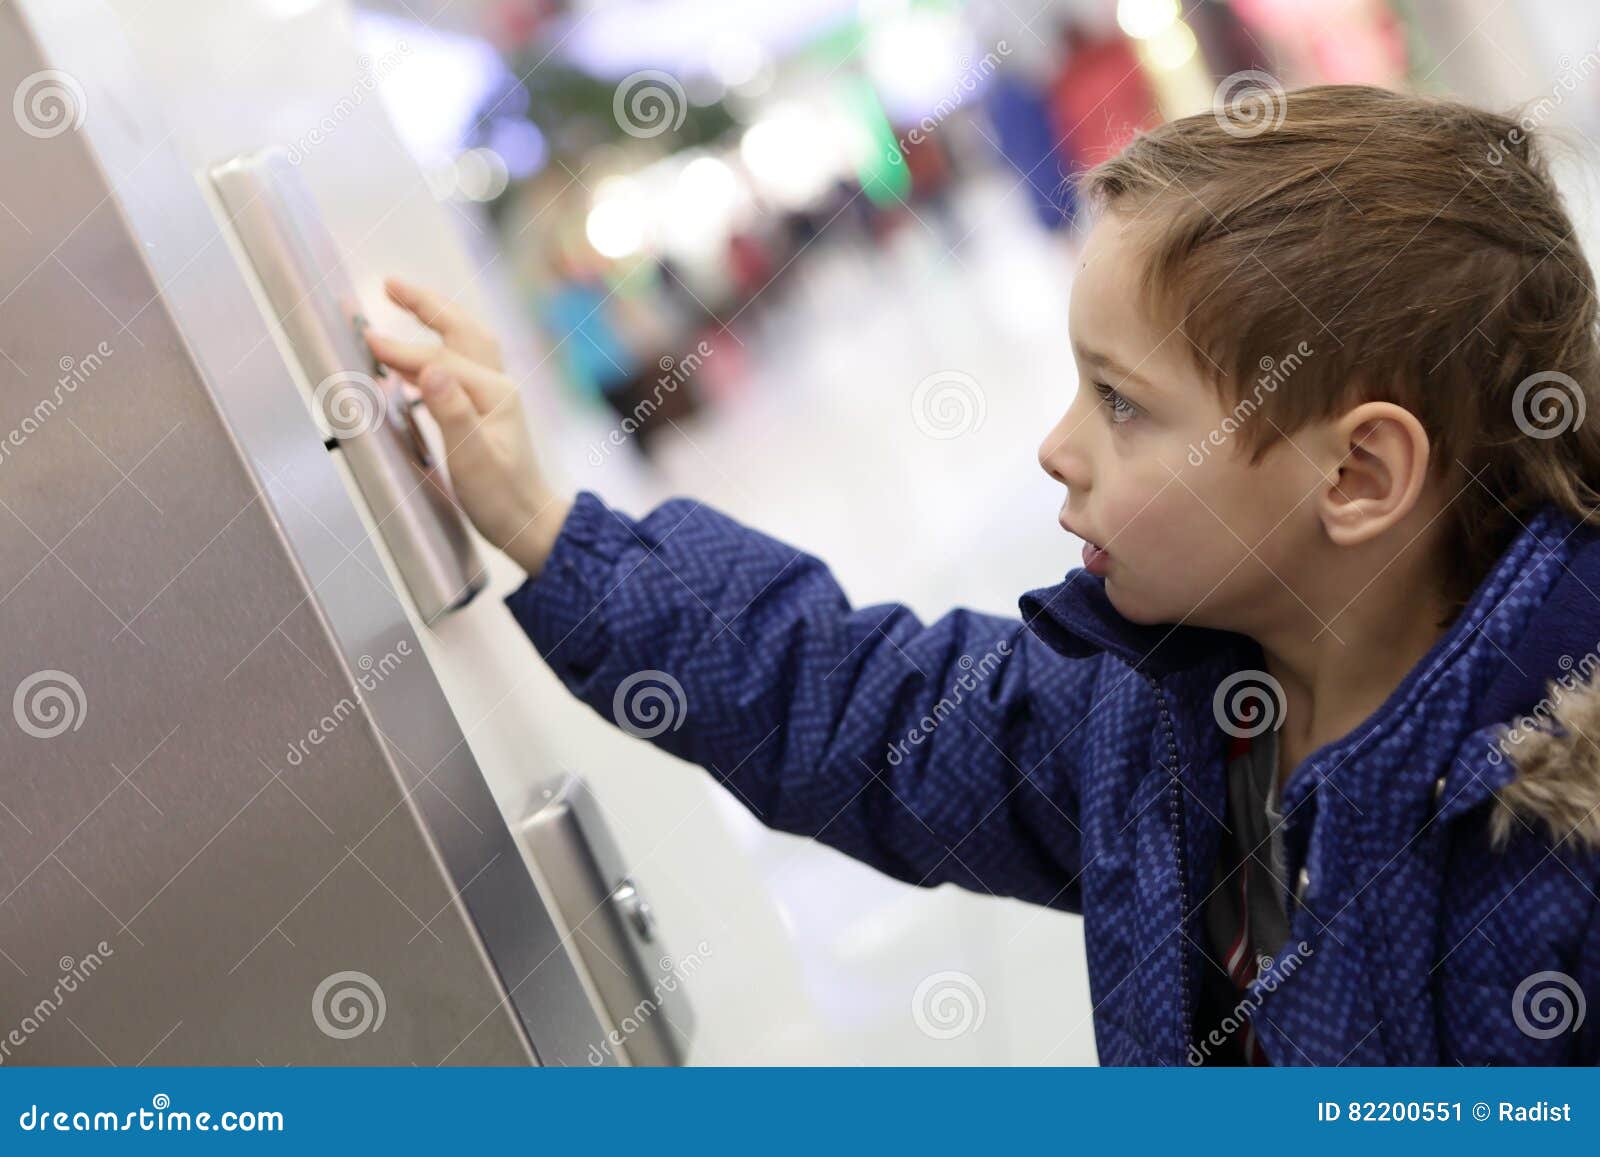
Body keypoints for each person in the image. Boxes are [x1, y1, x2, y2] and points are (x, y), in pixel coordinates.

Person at [364, 85, 1600, 1065]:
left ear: (1357, 473)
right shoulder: (1167, 717)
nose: (1057, 446)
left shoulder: (1560, 851)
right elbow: (861, 704)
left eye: (1122, 403)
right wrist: (539, 520)